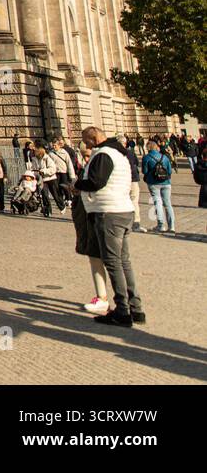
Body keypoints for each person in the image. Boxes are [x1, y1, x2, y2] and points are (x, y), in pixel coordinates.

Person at [74, 126, 145, 328]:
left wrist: (78, 185)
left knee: (112, 262)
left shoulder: (104, 154)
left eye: (86, 141)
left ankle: (122, 311)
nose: (85, 145)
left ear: (94, 137)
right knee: (123, 261)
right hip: (122, 210)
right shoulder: (119, 154)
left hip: (109, 213)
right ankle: (136, 307)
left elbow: (96, 182)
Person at [72, 146, 114, 315]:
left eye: (89, 155)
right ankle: (102, 297)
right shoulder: (86, 171)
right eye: (84, 156)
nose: (87, 159)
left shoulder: (101, 169)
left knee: (112, 261)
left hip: (103, 219)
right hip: (89, 220)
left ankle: (123, 302)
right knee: (95, 258)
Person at [141, 139, 176, 234]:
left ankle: (161, 225)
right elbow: (169, 171)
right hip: (166, 182)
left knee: (158, 203)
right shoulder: (164, 157)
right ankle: (172, 226)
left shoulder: (146, 157)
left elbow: (144, 171)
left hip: (153, 183)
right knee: (168, 204)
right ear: (156, 147)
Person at [31, 144, 58, 218]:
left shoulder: (47, 158)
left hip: (49, 178)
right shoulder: (34, 159)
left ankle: (61, 206)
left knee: (55, 194)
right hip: (41, 179)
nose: (34, 152)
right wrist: (34, 174)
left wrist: (44, 171)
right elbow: (33, 168)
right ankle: (48, 210)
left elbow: (53, 169)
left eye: (36, 151)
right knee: (44, 195)